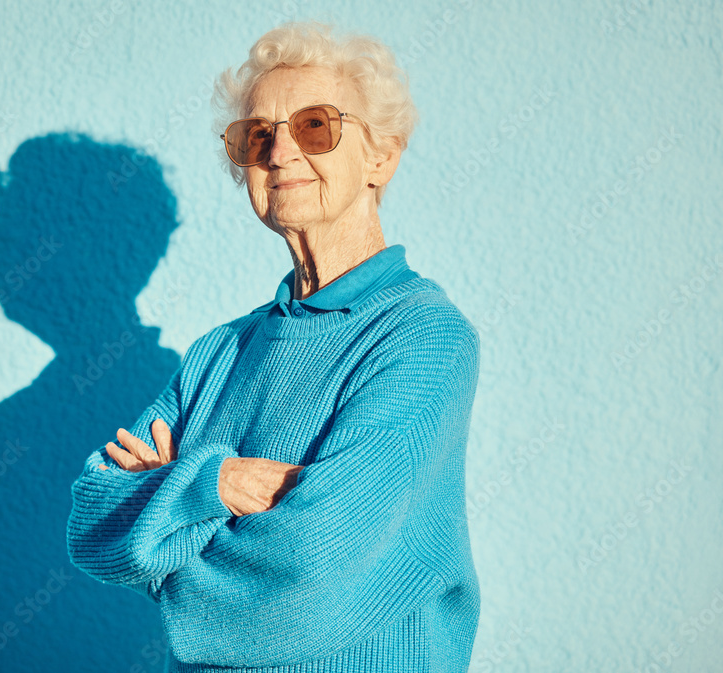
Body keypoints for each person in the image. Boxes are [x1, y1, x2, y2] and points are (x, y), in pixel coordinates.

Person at [67, 21, 481, 673]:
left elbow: (307, 576)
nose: (280, 151)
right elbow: (90, 522)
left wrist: (162, 535)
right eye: (257, 135)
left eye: (316, 125)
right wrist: (216, 481)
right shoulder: (218, 352)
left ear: (381, 155)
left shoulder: (422, 337)